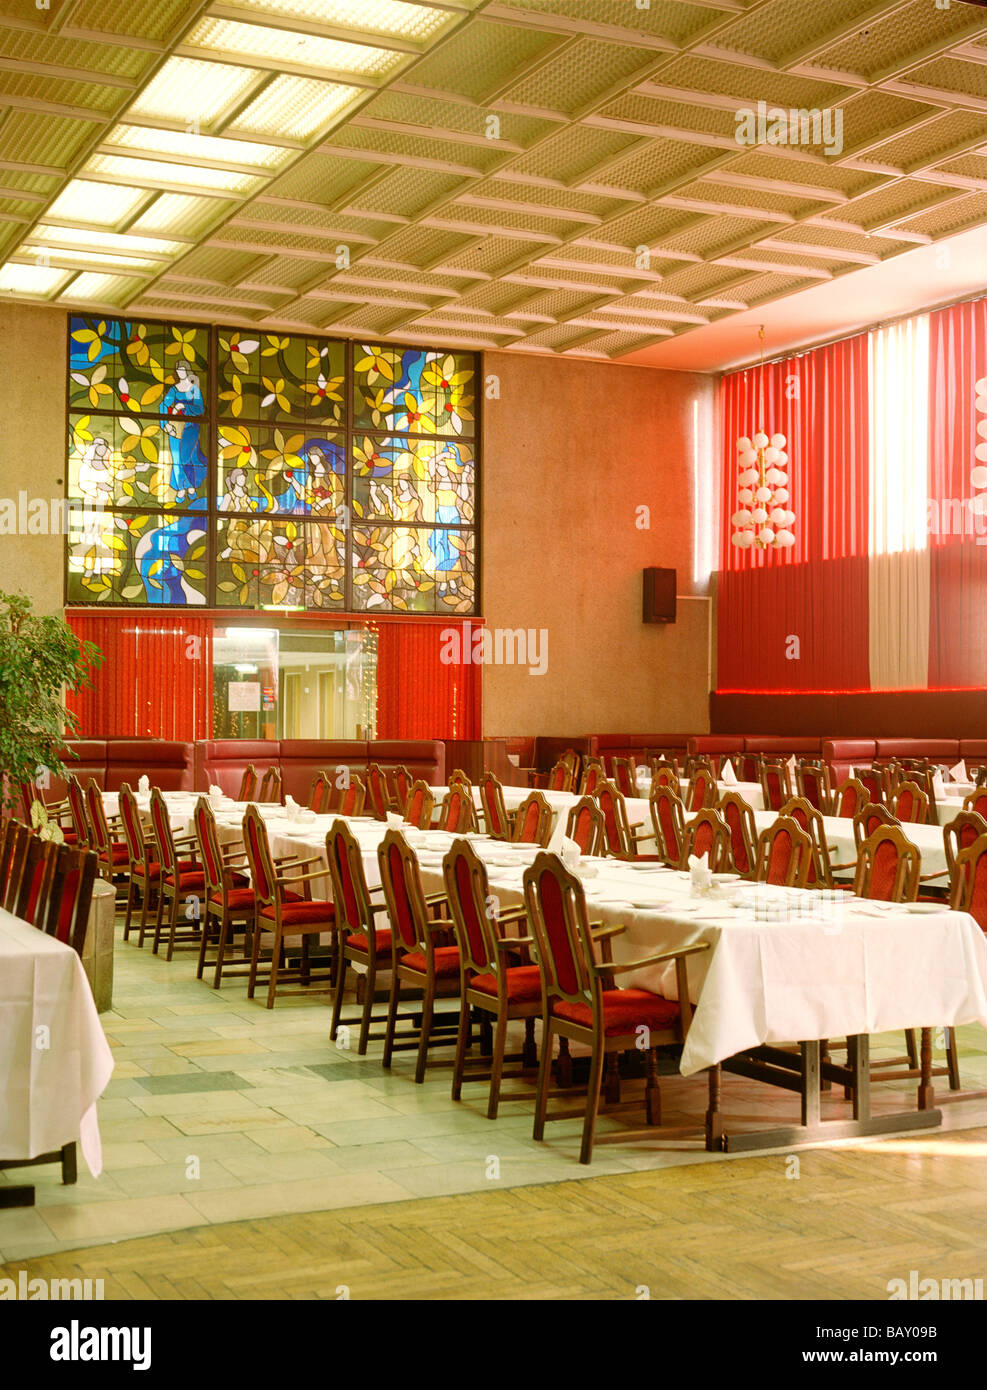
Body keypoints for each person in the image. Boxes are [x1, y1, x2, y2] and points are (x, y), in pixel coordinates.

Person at [161, 361, 206, 503]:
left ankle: (191, 486)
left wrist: (183, 406)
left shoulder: (194, 390)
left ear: (188, 370)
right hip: (175, 428)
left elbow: (200, 409)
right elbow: (163, 405)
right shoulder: (173, 390)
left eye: (182, 369)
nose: (180, 372)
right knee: (176, 460)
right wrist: (166, 424)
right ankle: (181, 489)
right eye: (178, 370)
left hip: (190, 428)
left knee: (186, 458)